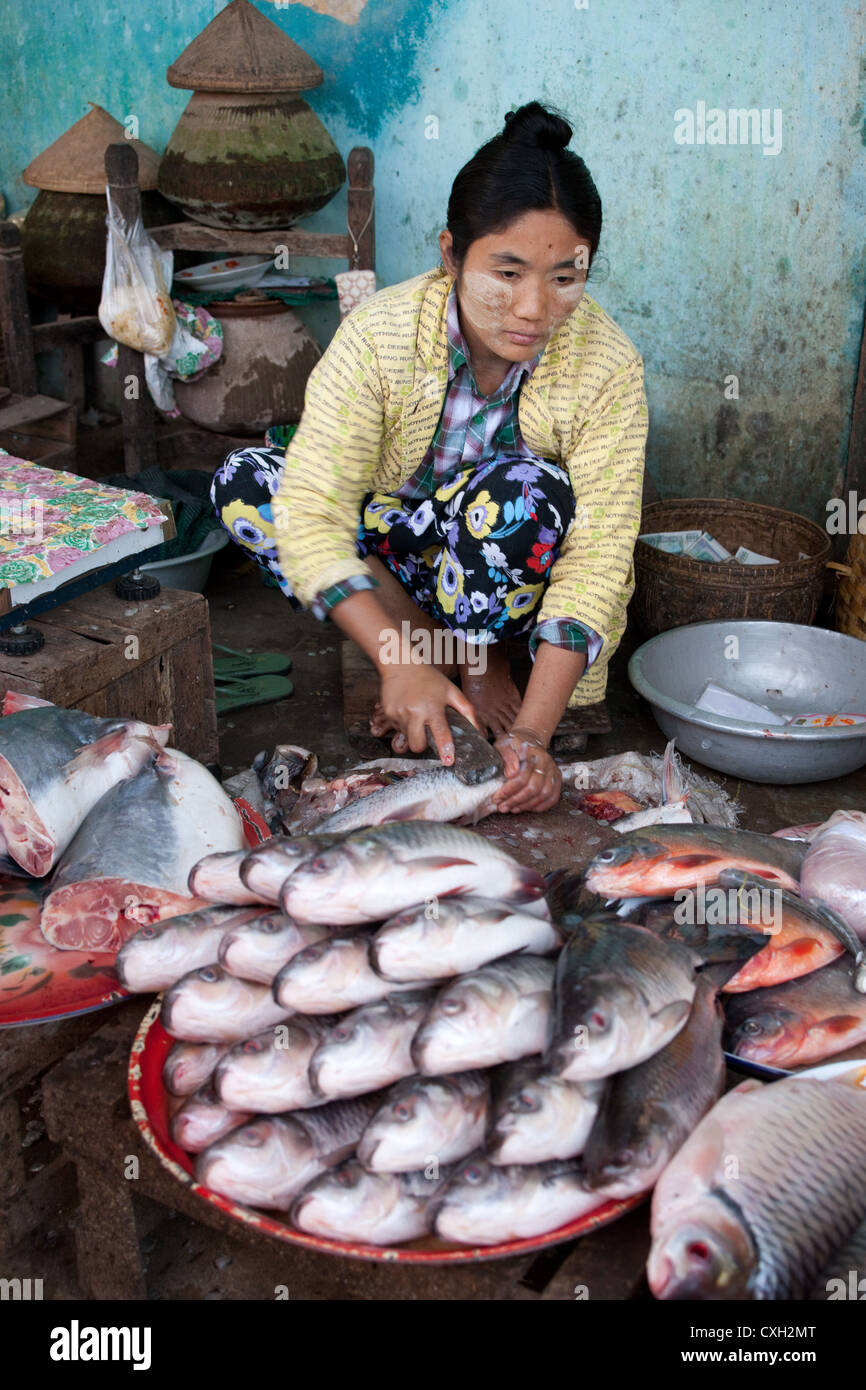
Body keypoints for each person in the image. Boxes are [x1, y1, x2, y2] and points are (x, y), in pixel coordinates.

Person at [211, 100, 648, 815]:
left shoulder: (608, 364)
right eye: (506, 272)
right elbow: (316, 506)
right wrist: (396, 662)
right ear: (451, 254)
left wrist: (535, 736)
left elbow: (600, 554)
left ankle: (484, 660)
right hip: (405, 561)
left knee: (519, 490)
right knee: (250, 483)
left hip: (507, 576)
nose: (534, 307)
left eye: (565, 277)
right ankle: (434, 663)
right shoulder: (380, 337)